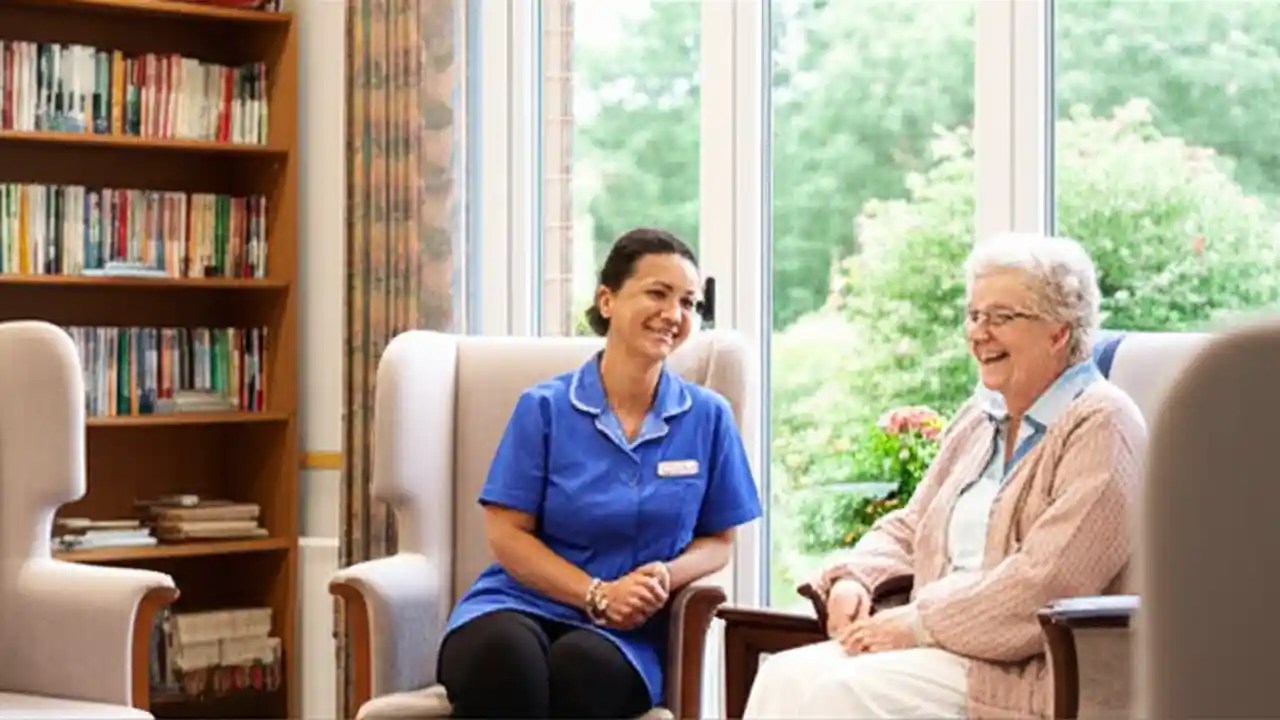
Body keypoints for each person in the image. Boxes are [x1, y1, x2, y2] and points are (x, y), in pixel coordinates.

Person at [744, 233, 1147, 719]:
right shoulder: (980, 418)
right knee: (784, 675)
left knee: (842, 693)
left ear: (1059, 331)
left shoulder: (1103, 424)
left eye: (1000, 317)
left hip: (1026, 667)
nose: (978, 333)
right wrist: (856, 576)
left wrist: (918, 624)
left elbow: (1046, 581)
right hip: (938, 648)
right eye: (975, 315)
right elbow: (913, 525)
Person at [436, 227, 763, 719]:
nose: (674, 315)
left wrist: (664, 575)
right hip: (518, 603)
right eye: (657, 292)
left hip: (626, 635)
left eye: (689, 303)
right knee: (504, 659)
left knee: (580, 669)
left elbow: (719, 539)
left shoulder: (708, 417)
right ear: (607, 300)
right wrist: (595, 594)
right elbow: (505, 534)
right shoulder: (543, 408)